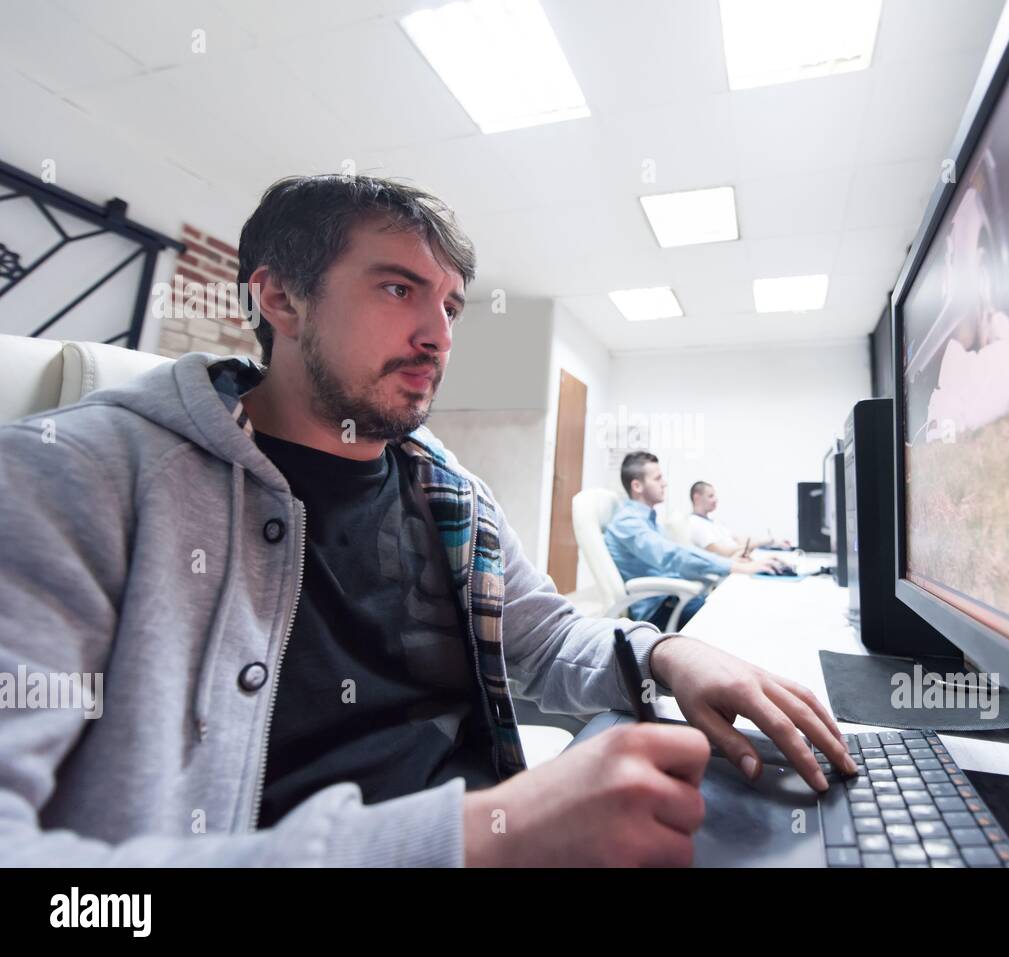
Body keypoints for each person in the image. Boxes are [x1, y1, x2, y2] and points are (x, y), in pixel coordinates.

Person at [0, 175, 856, 868]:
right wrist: (469, 838)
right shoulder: (72, 476)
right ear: (282, 298)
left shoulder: (450, 494)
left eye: (449, 304)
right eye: (399, 287)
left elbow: (549, 640)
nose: (439, 334)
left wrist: (668, 652)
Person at [604, 454, 779, 630]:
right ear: (637, 486)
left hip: (674, 598)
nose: (664, 483)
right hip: (660, 609)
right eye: (658, 478)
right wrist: (735, 566)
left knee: (742, 604)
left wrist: (732, 563)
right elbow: (672, 555)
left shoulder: (649, 520)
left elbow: (678, 554)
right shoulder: (628, 523)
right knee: (737, 621)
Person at [687, 480, 792, 558]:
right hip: (730, 567)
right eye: (711, 496)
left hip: (739, 559)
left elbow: (737, 540)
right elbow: (722, 553)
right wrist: (760, 543)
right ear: (697, 498)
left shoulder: (713, 521)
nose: (716, 499)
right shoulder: (695, 524)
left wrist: (774, 542)